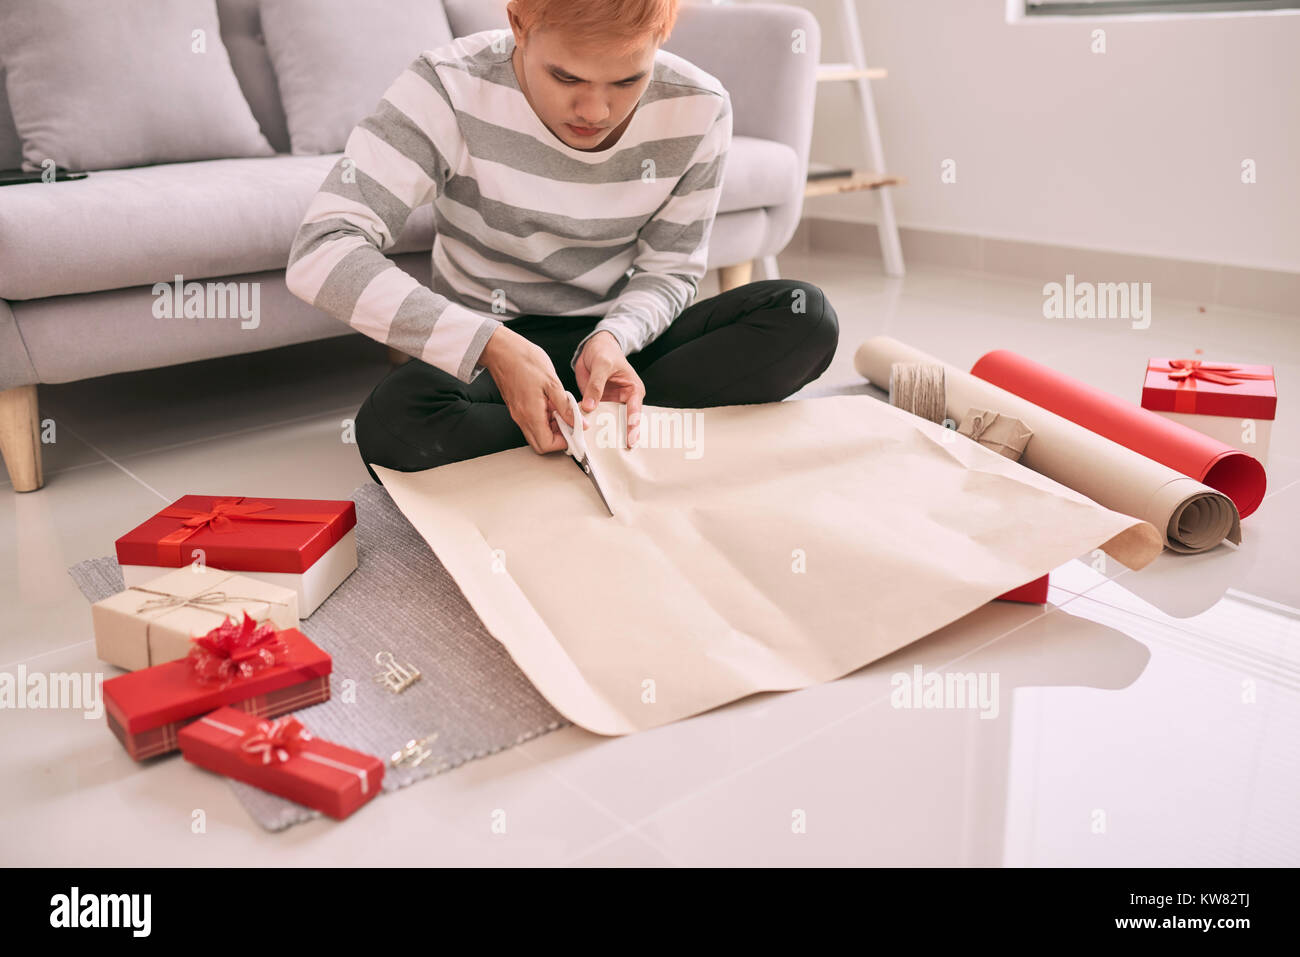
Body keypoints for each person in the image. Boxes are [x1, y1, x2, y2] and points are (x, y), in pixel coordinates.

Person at [285, 0, 838, 484]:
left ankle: (556, 433)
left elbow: (670, 271)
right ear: (518, 25)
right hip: (489, 353)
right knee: (394, 422)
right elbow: (321, 251)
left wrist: (614, 339)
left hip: (618, 346)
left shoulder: (699, 104)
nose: (595, 112)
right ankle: (623, 431)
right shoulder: (447, 84)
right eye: (567, 78)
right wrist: (493, 345)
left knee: (804, 317)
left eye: (626, 82)